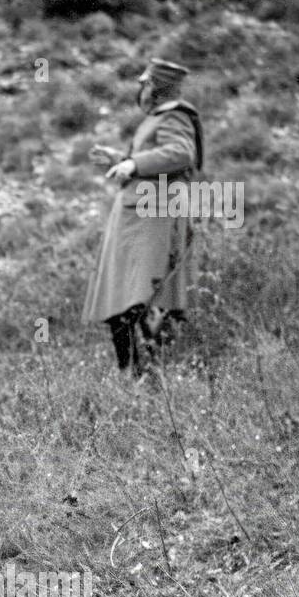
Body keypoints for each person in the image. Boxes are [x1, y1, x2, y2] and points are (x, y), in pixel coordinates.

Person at [82, 58, 202, 375]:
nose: (142, 90)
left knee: (144, 299)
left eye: (146, 84)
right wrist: (123, 159)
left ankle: (147, 373)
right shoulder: (158, 118)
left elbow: (181, 153)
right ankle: (136, 373)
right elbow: (161, 159)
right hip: (140, 214)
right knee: (123, 300)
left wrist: (134, 165)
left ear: (157, 87)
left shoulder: (175, 115)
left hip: (152, 215)